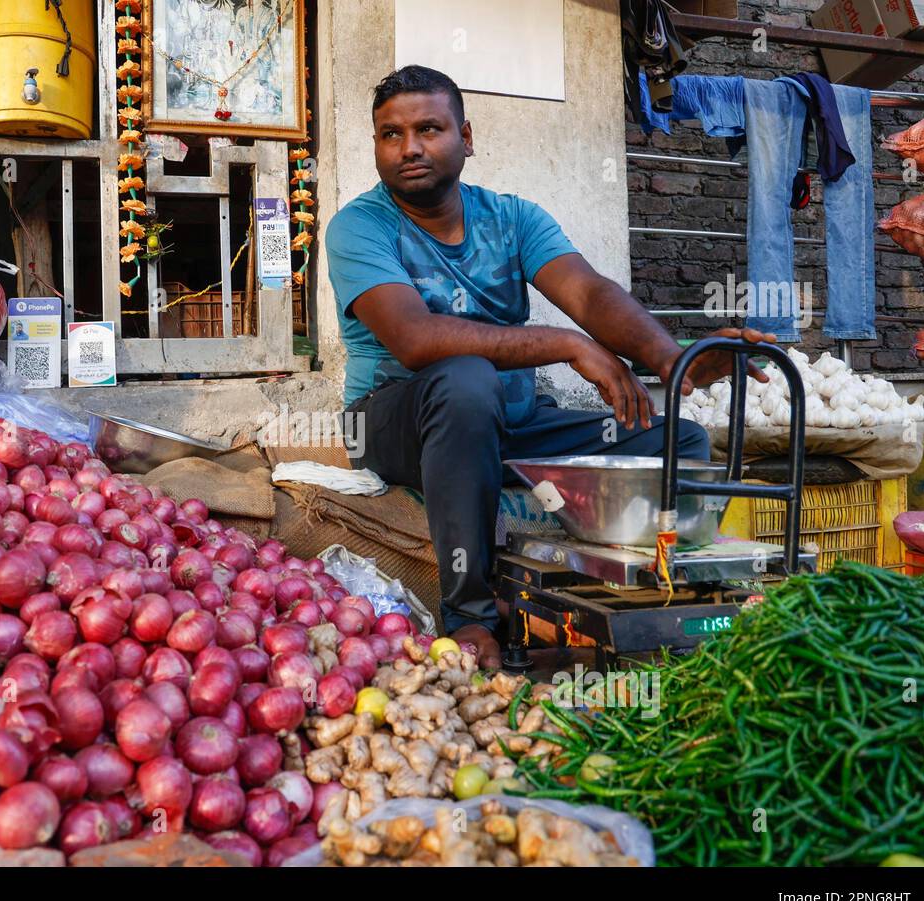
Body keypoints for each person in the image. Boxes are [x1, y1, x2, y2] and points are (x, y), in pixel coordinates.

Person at [324, 65, 776, 669]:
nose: (409, 148)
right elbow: (413, 338)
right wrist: (568, 345)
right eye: (390, 134)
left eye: (429, 128)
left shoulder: (512, 218)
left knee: (678, 440)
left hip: (510, 420)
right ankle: (471, 614)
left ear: (466, 135)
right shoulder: (360, 225)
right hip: (394, 422)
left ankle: (654, 594)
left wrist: (671, 357)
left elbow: (588, 292)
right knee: (465, 378)